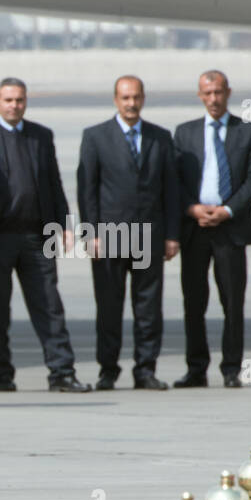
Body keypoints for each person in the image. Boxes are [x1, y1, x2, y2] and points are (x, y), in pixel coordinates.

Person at [0, 78, 90, 392]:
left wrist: (63, 223)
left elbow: (53, 183)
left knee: (49, 303)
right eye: (8, 100)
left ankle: (62, 372)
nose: (14, 105)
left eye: (19, 100)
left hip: (37, 235)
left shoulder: (41, 135)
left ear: (25, 102)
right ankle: (2, 375)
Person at [77, 75, 181, 390]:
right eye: (125, 98)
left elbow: (171, 190)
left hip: (150, 235)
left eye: (136, 97)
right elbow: (87, 190)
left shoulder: (160, 138)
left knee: (148, 307)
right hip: (109, 236)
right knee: (109, 306)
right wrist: (91, 233)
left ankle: (145, 369)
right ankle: (108, 370)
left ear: (143, 98)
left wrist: (172, 235)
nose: (131, 104)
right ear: (115, 100)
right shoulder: (95, 137)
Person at [172, 70, 251, 389]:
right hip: (195, 227)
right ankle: (196, 368)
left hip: (231, 228)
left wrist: (226, 210)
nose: (213, 99)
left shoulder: (247, 132)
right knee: (194, 301)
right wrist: (193, 208)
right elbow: (175, 182)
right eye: (207, 93)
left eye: (219, 92)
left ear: (228, 93)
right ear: (199, 95)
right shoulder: (184, 133)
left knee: (232, 301)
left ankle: (231, 369)